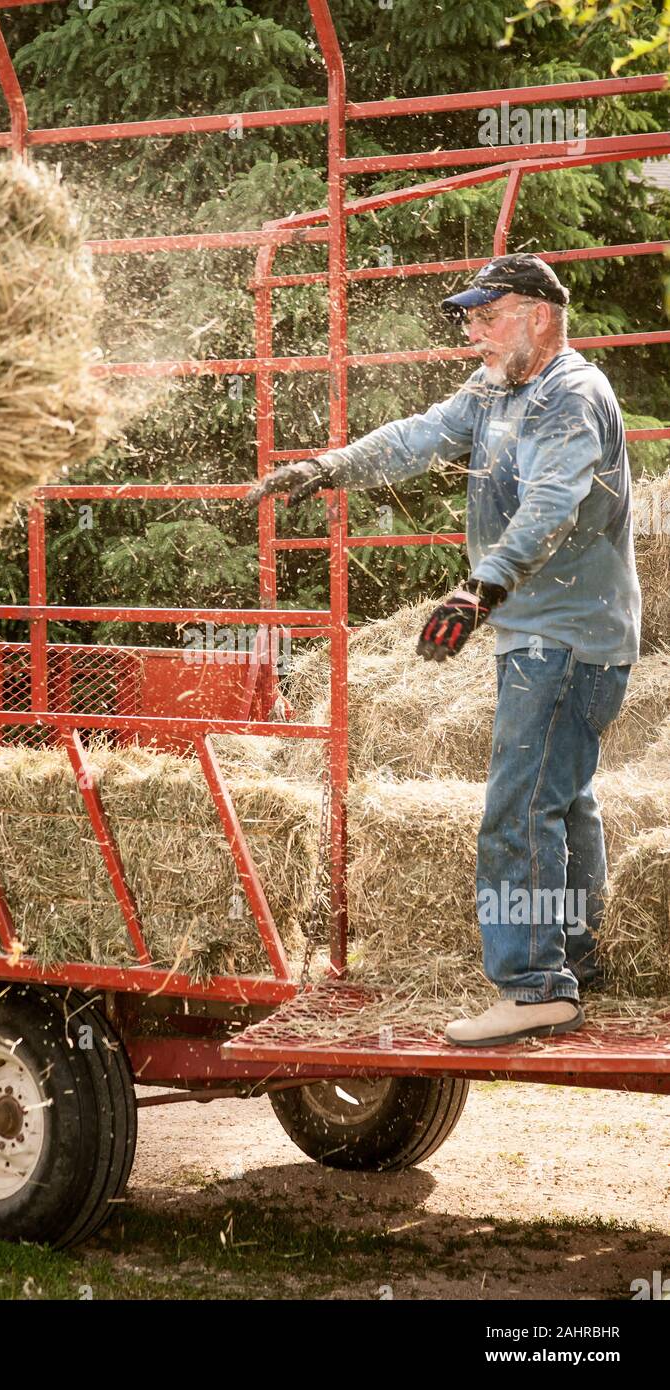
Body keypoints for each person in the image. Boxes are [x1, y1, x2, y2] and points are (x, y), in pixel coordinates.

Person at [247, 252, 640, 1048]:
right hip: (550, 632)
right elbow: (420, 437)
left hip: (566, 637)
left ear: (538, 313)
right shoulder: (500, 390)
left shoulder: (569, 395)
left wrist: (479, 588)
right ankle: (581, 955)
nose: (474, 334)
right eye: (469, 319)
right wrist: (328, 468)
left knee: (518, 810)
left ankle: (534, 986)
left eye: (487, 316)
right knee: (563, 799)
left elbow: (554, 504)